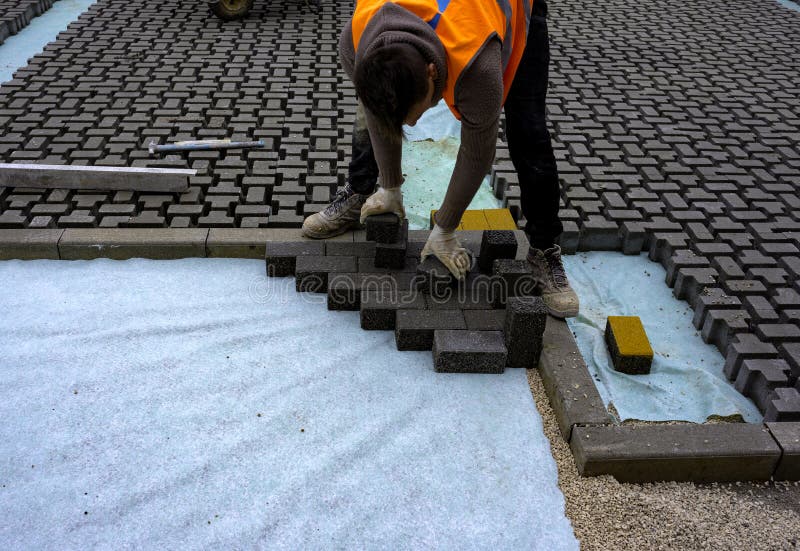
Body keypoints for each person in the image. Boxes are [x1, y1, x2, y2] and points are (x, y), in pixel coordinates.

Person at [301, 0, 579, 318]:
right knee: (374, 109)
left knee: (528, 130)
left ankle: (545, 249)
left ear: (432, 72)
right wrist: (390, 186)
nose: (411, 127)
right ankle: (362, 189)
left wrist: (444, 228)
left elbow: (477, 152)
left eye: (414, 116)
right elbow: (376, 115)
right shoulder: (356, 41)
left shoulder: (479, 66)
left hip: (508, 11)